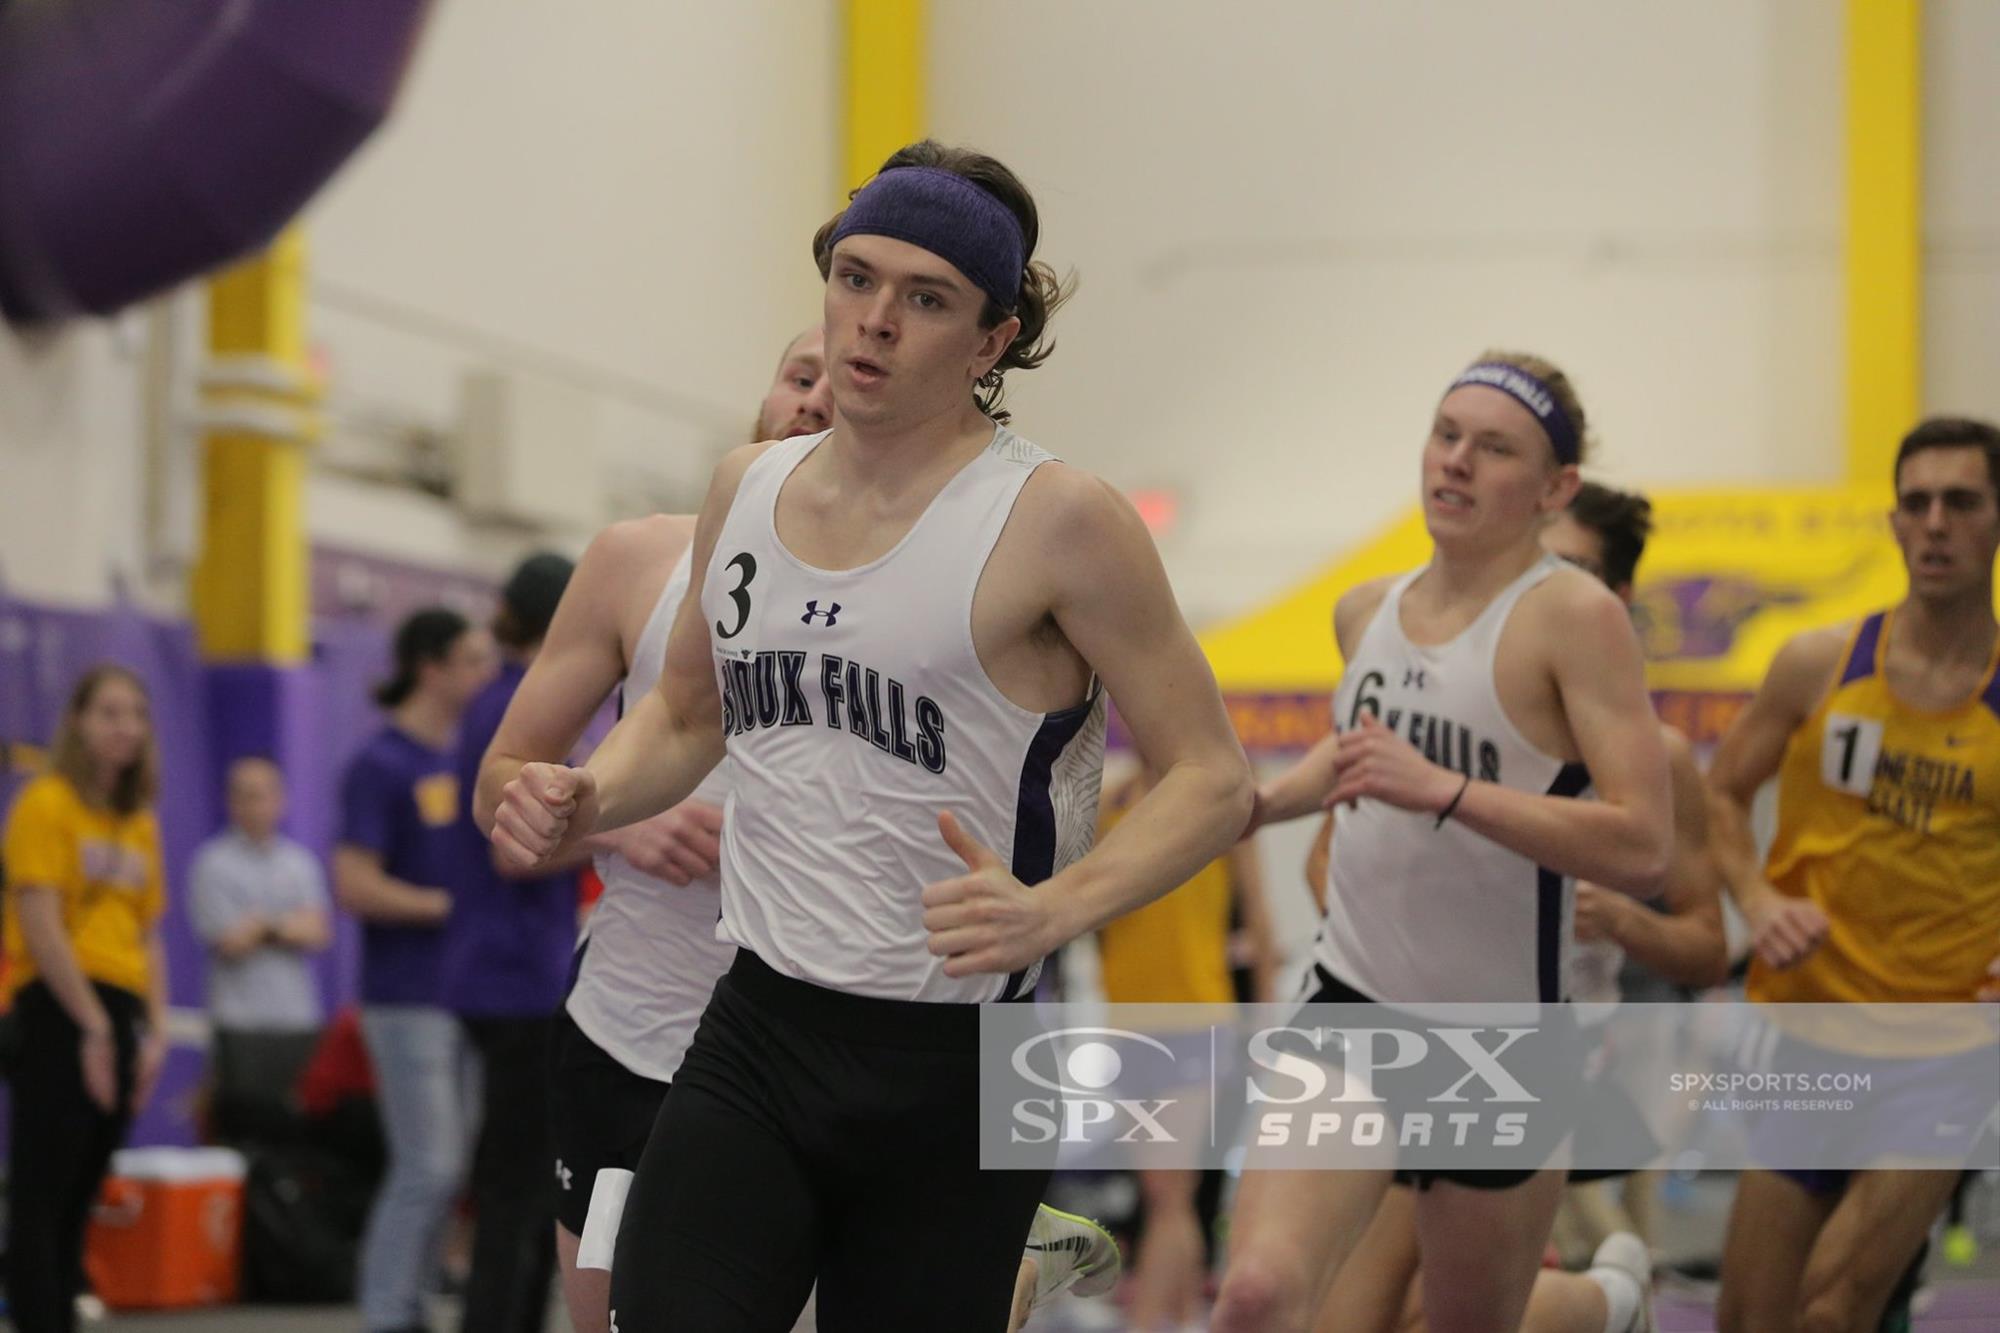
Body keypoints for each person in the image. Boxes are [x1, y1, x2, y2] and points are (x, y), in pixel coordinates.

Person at [490, 140, 1253, 1332]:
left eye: (925, 297)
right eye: (855, 278)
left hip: (958, 1062)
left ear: (992, 340)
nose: (874, 321)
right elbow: (689, 714)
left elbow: (1212, 777)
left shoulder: (1059, 521)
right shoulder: (746, 484)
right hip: (754, 1027)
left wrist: (1057, 909)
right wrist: (591, 796)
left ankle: (1019, 1261)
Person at [476, 325, 1117, 1333]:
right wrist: (608, 824)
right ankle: (999, 1266)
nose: (820, 396)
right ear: (761, 398)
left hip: (864, 1033)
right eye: (798, 373)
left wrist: (1051, 902)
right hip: (646, 1031)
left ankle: (995, 1264)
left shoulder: (949, 574)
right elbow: (506, 785)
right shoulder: (636, 558)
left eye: (843, 378)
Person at [1210, 353, 1673, 1333]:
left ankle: (1604, 1303)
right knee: (1253, 1298)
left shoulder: (1573, 618)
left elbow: (1642, 844)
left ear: (1554, 488)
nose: (1455, 462)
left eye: (1492, 447)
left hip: (1500, 1040)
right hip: (1351, 1008)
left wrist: (1453, 791)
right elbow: (1358, 759)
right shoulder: (1364, 610)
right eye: (1444, 433)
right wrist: (1253, 806)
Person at [1309, 480, 1730, 1333]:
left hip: (1562, 1066)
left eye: (1567, 571)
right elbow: (1326, 863)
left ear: (1615, 602)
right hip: (1410, 1031)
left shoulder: (1662, 759)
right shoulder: (1433, 711)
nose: (1538, 592)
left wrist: (1620, 919)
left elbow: (1708, 948)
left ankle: (1608, 1297)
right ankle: (1613, 1300)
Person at [1708, 416, 2000, 1333]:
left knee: (1832, 1306)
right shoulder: (1819, 663)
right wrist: (1756, 898)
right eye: (1916, 503)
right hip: (1810, 1032)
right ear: (1894, 523)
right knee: (1750, 1318)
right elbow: (1720, 795)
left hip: (1947, 1055)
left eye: (1961, 501)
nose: (1936, 522)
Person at [337, 607, 496, 1333]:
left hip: (462, 994)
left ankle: (414, 1304)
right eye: (470, 658)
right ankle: (386, 1313)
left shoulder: (465, 759)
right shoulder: (381, 765)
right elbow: (354, 884)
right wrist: (451, 906)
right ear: (429, 667)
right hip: (405, 999)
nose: (485, 673)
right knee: (426, 1165)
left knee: (451, 1169)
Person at [1, 665, 170, 1333]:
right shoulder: (45, 803)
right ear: (77, 720)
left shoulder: (139, 822)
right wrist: (92, 1025)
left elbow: (147, 933)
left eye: (135, 712)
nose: (125, 726)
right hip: (56, 1004)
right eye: (108, 712)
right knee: (43, 1187)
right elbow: (39, 921)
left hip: (121, 1003)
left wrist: (152, 1030)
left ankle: (56, 1308)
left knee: (83, 1185)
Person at [438, 552, 578, 1333]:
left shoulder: (502, 702)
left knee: (520, 1183)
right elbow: (513, 844)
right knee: (516, 1186)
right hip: (515, 977)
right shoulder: (518, 709)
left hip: (507, 971)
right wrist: (627, 827)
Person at [1095, 761, 1277, 1331]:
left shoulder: (1219, 806)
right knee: (1165, 1195)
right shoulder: (1113, 806)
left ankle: (1151, 1321)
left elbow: (1261, 925)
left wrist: (1263, 1029)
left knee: (1169, 1191)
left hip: (1198, 1017)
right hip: (1128, 1021)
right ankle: (1181, 1315)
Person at [189, 756, 332, 1141]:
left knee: (296, 1134)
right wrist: (286, 925)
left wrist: (262, 924)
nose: (255, 805)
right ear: (230, 802)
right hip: (240, 1023)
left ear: (281, 799)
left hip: (297, 1020)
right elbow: (229, 941)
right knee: (241, 1135)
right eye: (245, 796)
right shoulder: (212, 863)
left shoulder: (300, 863)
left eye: (264, 795)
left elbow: (318, 932)